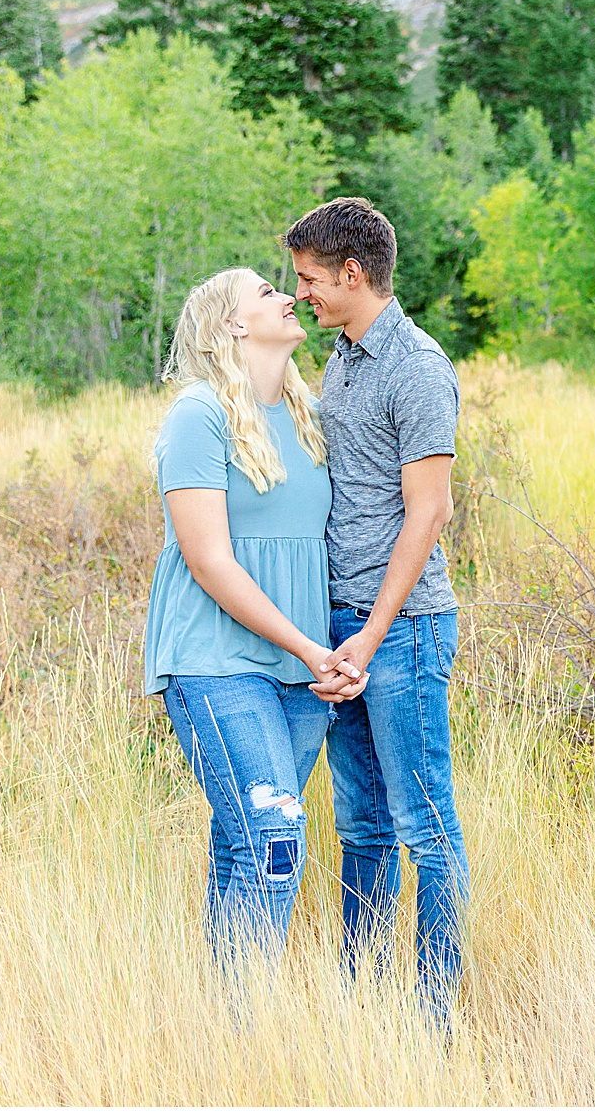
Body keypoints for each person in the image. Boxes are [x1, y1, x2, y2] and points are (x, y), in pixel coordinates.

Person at [142, 267, 366, 974]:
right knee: (275, 838)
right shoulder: (197, 415)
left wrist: (340, 647)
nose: (289, 296)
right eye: (268, 292)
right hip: (217, 662)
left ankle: (224, 1019)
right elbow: (209, 561)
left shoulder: (308, 416)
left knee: (244, 843)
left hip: (303, 674)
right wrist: (308, 647)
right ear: (232, 325)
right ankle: (248, 1015)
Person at [288, 197, 470, 1025]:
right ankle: (361, 1002)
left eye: (310, 280)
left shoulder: (418, 367)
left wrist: (371, 633)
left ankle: (432, 1017)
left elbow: (428, 512)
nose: (302, 295)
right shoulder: (343, 358)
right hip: (342, 632)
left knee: (424, 826)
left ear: (353, 274)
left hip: (401, 632)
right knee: (360, 826)